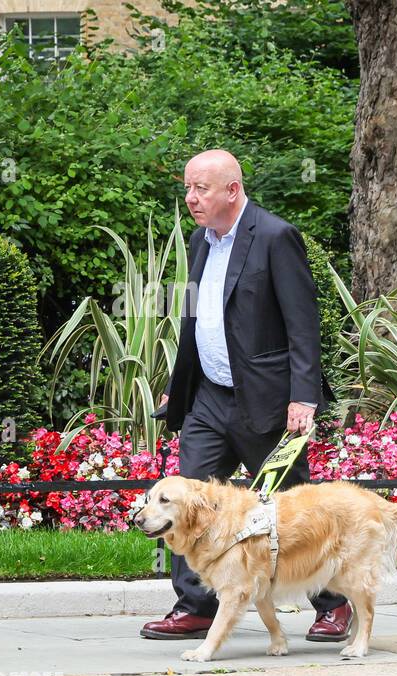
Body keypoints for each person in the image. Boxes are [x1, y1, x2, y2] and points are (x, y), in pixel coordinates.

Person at [140, 150, 349, 642]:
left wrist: (304, 397)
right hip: (209, 398)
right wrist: (178, 384)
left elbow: (303, 323)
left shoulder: (275, 237)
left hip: (267, 400)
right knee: (184, 496)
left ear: (231, 190)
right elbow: (195, 321)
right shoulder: (200, 241)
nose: (192, 198)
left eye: (202, 189)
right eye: (189, 188)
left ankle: (333, 603)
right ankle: (195, 605)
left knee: (293, 506)